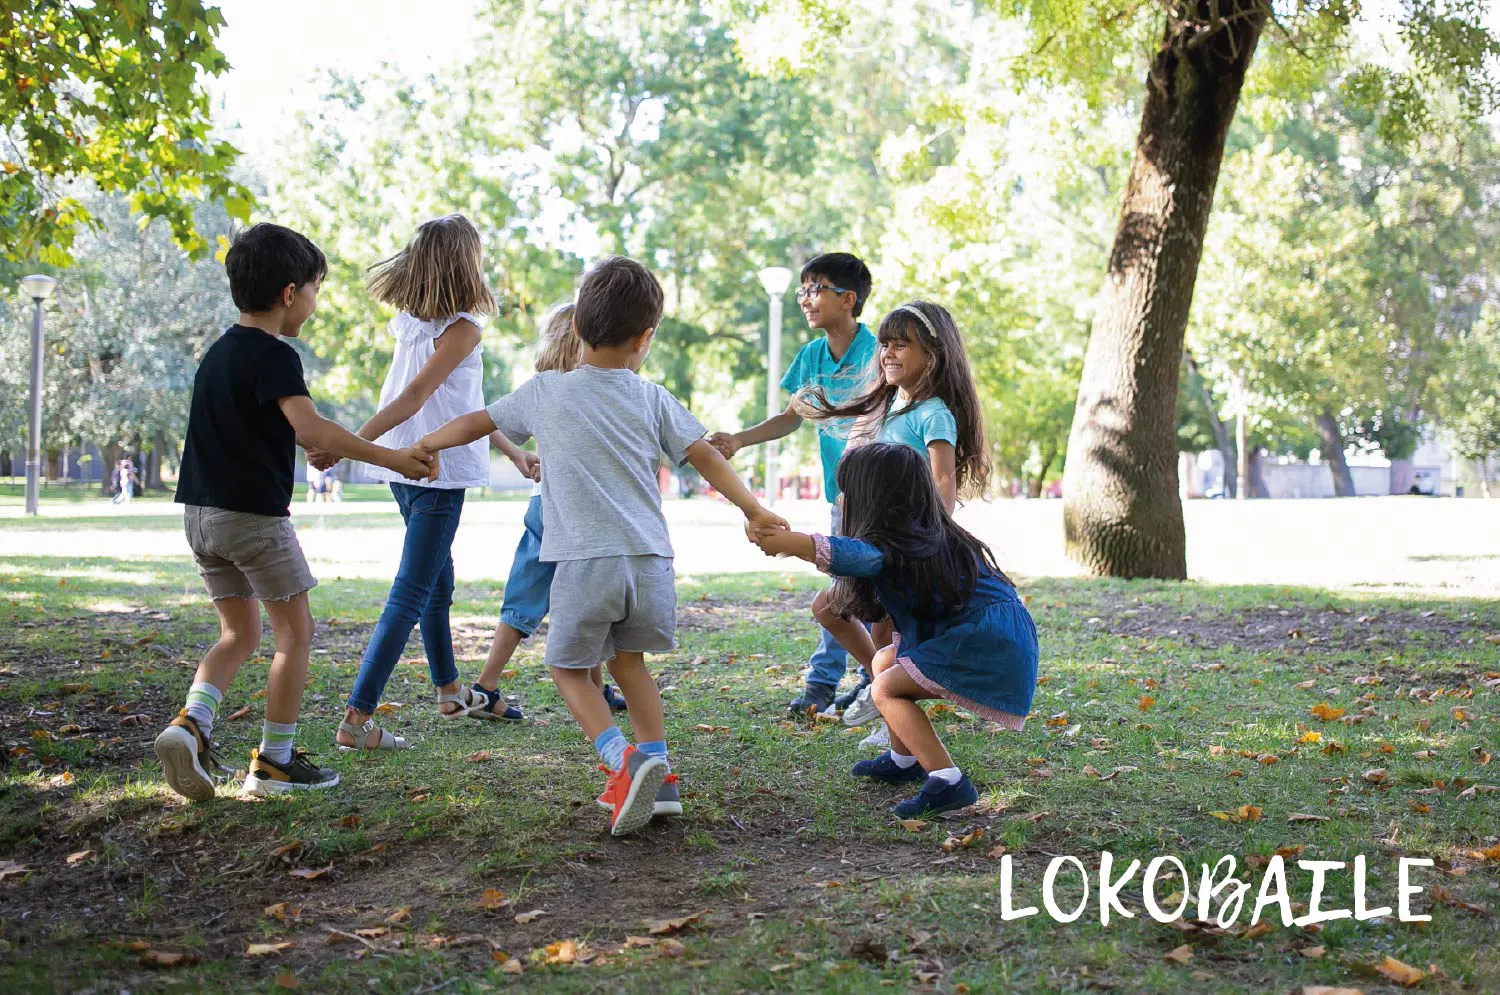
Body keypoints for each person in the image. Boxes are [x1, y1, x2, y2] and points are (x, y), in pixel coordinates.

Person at [416, 256, 786, 835]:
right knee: (630, 665)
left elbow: (478, 421)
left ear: (577, 331)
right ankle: (660, 779)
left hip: (587, 563)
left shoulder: (545, 391)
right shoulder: (652, 397)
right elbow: (706, 455)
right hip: (651, 563)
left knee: (565, 667)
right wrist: (755, 508)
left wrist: (428, 443)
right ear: (645, 339)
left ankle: (623, 760)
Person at [154, 222, 433, 802]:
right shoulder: (275, 356)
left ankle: (192, 724)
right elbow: (309, 428)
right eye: (314, 289)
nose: (314, 301)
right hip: (253, 520)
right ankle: (275, 761)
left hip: (201, 519)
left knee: (238, 632)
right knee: (295, 634)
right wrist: (394, 458)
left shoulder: (217, 355)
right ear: (289, 294)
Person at [312, 215, 536, 751]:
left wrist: (512, 449)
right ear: (467, 263)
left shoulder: (413, 323)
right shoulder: (461, 329)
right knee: (412, 591)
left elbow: (465, 404)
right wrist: (346, 443)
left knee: (438, 582)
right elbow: (414, 397)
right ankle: (356, 718)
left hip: (404, 468)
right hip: (435, 471)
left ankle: (449, 690)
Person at [751, 443, 1037, 817]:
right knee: (885, 662)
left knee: (886, 688)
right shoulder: (923, 537)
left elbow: (856, 554)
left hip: (984, 642)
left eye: (846, 492)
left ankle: (948, 781)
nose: (840, 501)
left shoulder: (896, 546)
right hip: (990, 637)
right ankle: (903, 760)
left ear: (873, 500)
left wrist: (795, 544)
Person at [802, 300, 990, 741]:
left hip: (907, 548)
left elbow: (943, 482)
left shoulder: (934, 414)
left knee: (887, 632)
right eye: (885, 343)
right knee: (832, 610)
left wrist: (934, 542)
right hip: (874, 542)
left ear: (933, 355)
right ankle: (879, 687)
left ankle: (892, 716)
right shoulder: (886, 410)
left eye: (902, 344)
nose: (887, 352)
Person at [708, 252, 878, 716]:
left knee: (849, 589)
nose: (805, 299)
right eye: (802, 290)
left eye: (815, 289)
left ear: (848, 299)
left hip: (880, 498)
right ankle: (865, 678)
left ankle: (832, 683)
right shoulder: (811, 357)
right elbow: (790, 418)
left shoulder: (879, 352)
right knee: (845, 588)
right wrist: (739, 440)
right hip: (840, 497)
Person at [469, 303, 628, 724]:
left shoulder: (543, 386)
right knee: (587, 594)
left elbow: (489, 420)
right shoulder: (597, 387)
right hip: (576, 511)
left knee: (532, 596)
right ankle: (491, 687)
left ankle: (488, 685)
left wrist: (520, 454)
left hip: (544, 505)